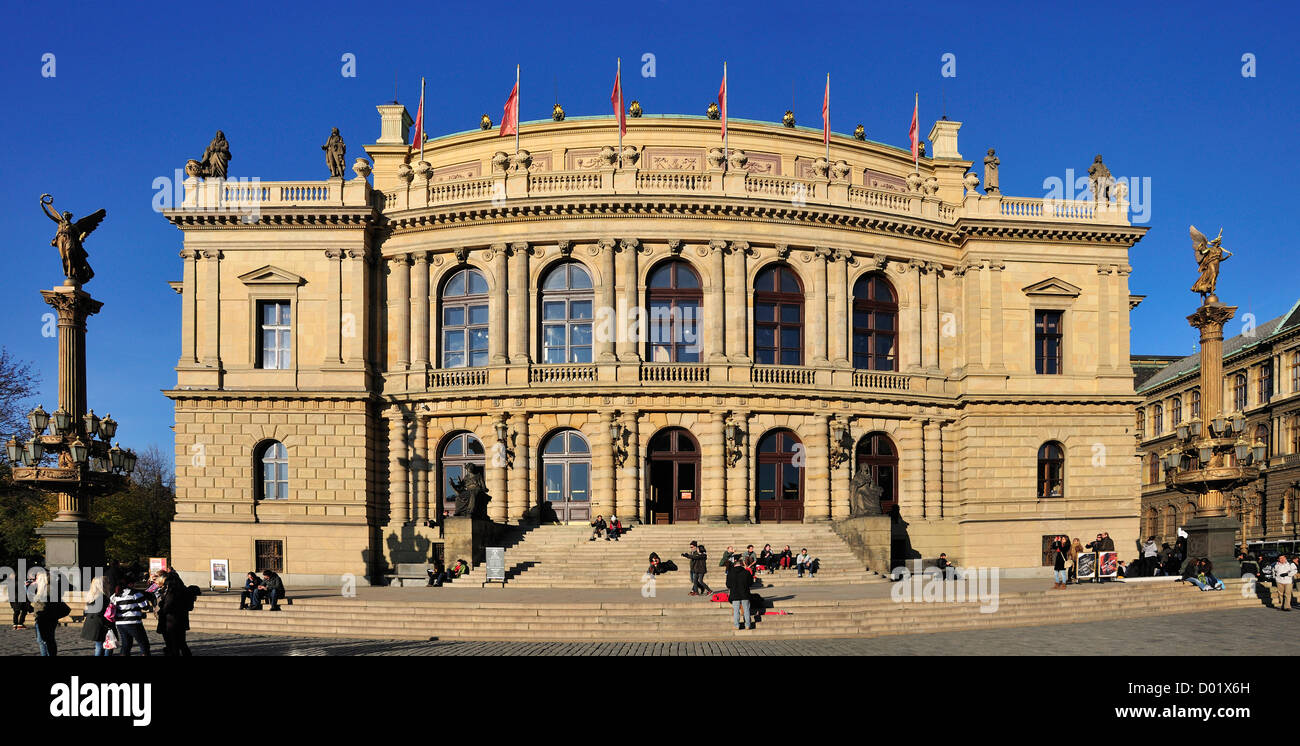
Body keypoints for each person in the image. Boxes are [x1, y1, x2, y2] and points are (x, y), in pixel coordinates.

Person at [109, 580, 154, 656]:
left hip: (120, 623)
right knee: (143, 643)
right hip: (133, 623)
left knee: (126, 644)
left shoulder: (114, 595)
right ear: (130, 584)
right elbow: (145, 606)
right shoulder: (134, 593)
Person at [156, 571, 193, 656]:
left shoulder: (172, 590)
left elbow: (168, 605)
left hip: (171, 620)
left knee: (173, 643)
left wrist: (161, 609)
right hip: (181, 619)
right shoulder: (183, 589)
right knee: (181, 642)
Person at [31, 570, 66, 656]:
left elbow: (42, 605)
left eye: (37, 577)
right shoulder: (47, 587)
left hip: (45, 618)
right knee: (46, 640)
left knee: (44, 640)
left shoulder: (47, 589)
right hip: (48, 618)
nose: (35, 579)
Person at [80, 575, 114, 656]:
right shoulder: (102, 598)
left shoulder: (92, 596)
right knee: (108, 645)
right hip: (102, 624)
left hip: (94, 624)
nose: (110, 584)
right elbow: (104, 613)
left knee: (99, 645)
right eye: (108, 582)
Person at [726, 556, 755, 630]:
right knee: (746, 610)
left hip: (735, 594)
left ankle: (737, 625)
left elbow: (728, 585)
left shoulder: (730, 573)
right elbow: (751, 583)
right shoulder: (746, 572)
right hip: (745, 594)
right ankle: (747, 625)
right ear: (741, 565)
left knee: (736, 611)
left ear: (734, 565)